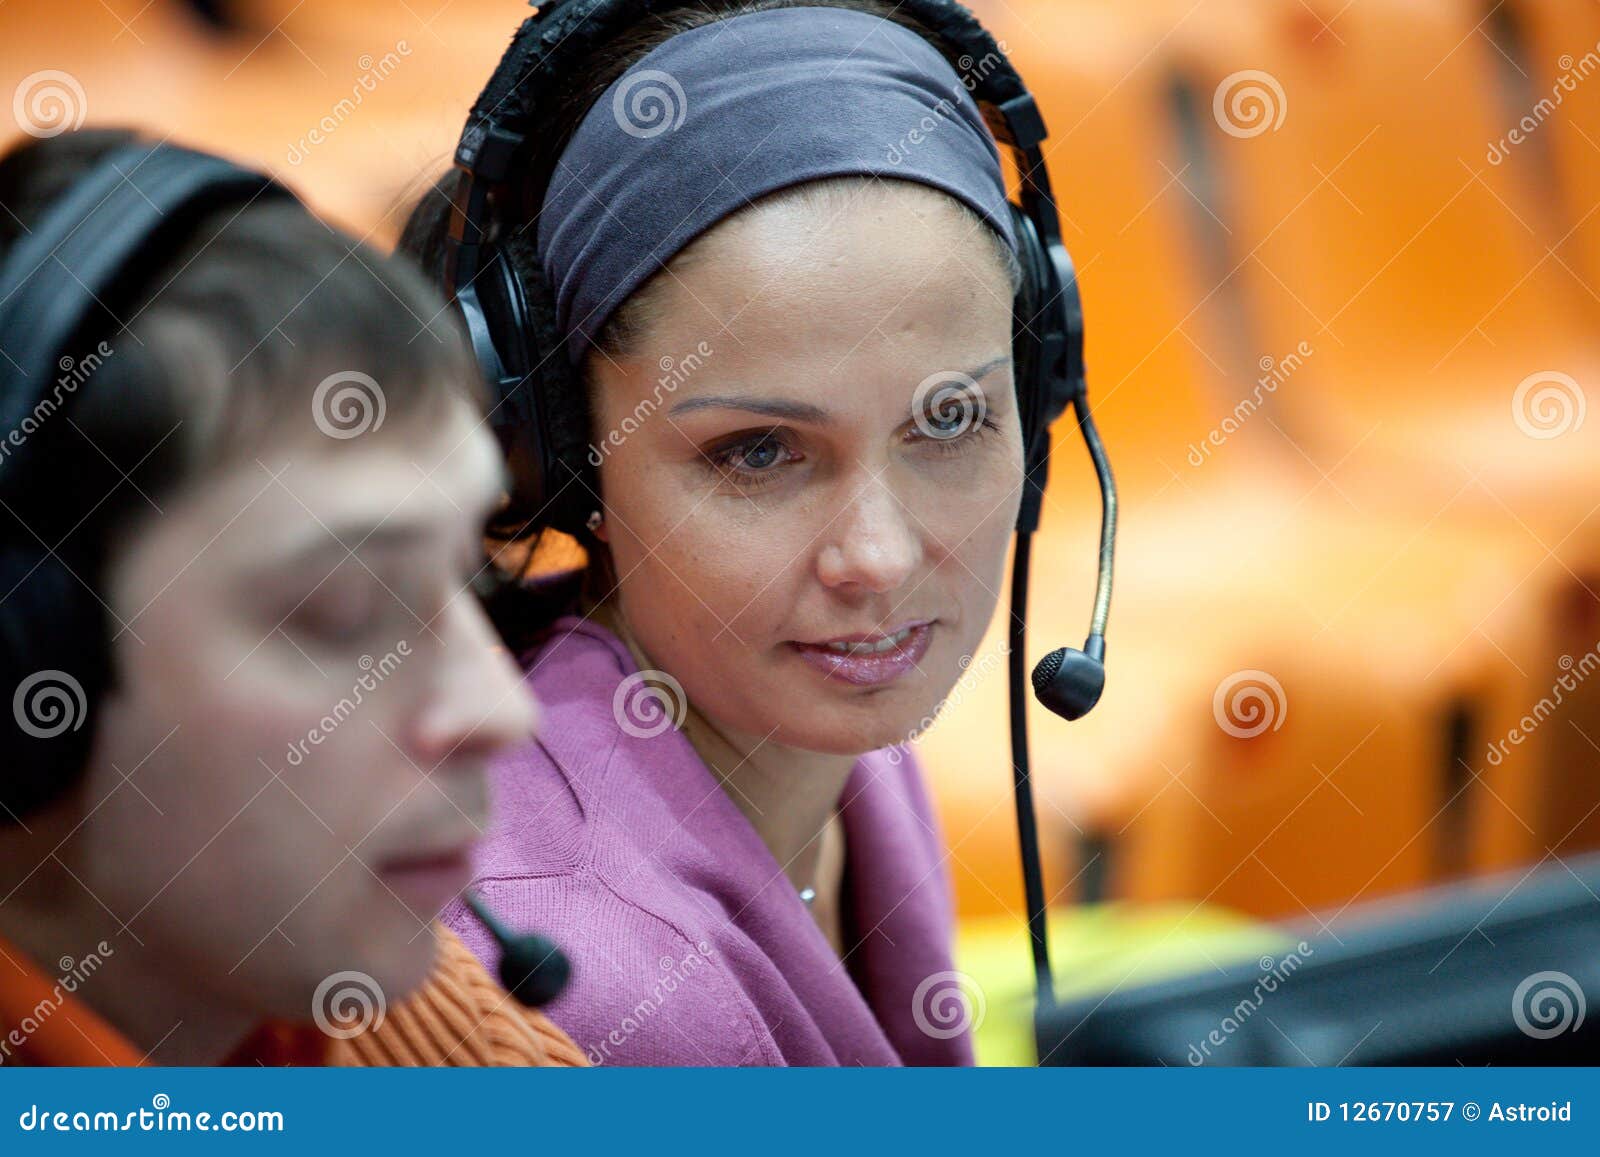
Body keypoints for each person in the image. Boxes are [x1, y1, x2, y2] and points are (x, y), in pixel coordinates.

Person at [401, 0, 1034, 1065]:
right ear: (562, 445)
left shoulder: (820, 728)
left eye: (949, 418)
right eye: (757, 452)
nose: (876, 558)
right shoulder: (587, 989)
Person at [0, 128, 584, 1066]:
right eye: (345, 608)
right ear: (26, 658)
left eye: (467, 571)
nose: (501, 708)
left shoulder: (475, 1054)